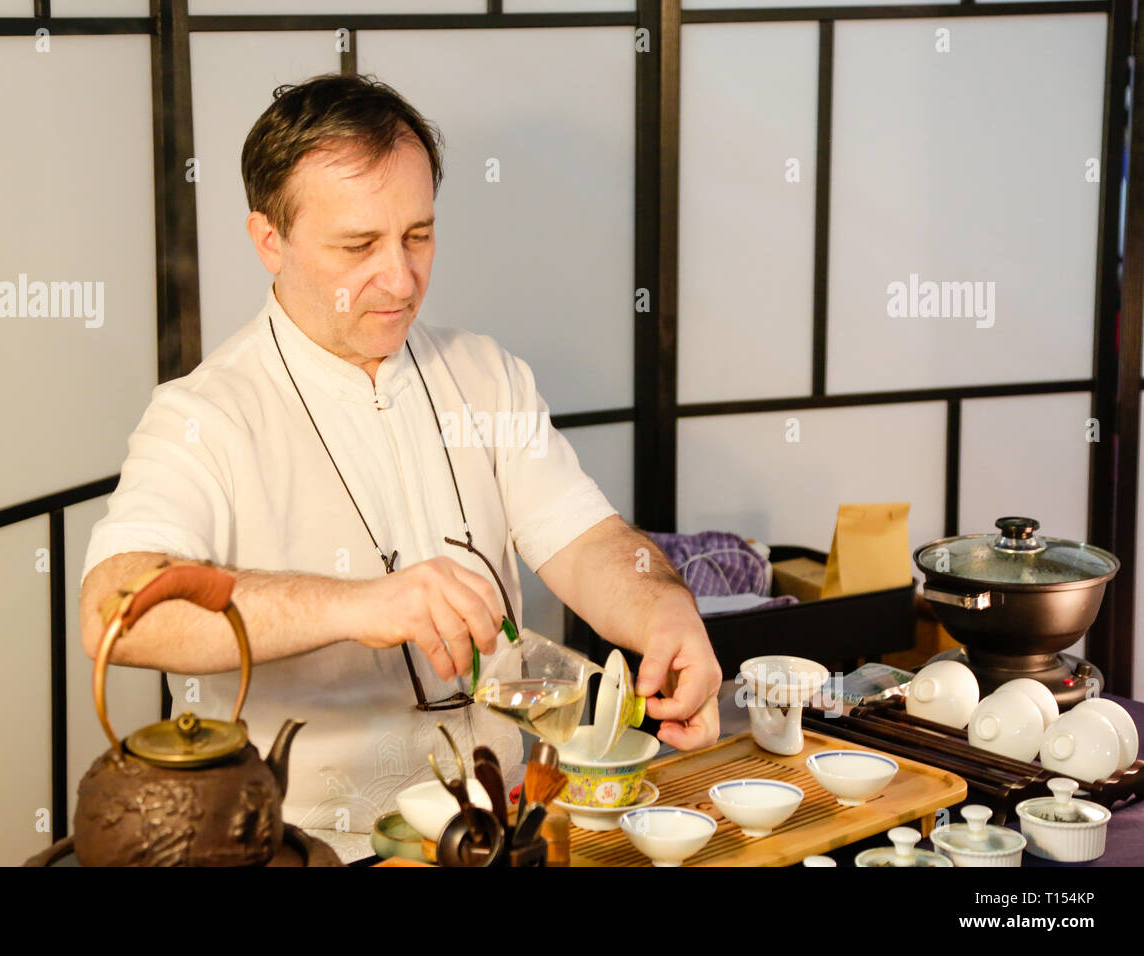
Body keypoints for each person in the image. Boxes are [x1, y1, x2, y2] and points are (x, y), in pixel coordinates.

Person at [79, 72, 721, 860]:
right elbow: (116, 609)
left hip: (507, 829)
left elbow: (590, 543)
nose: (401, 277)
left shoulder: (486, 373)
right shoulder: (203, 416)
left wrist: (662, 610)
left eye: (418, 235)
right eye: (358, 246)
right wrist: (358, 606)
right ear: (268, 240)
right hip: (319, 846)